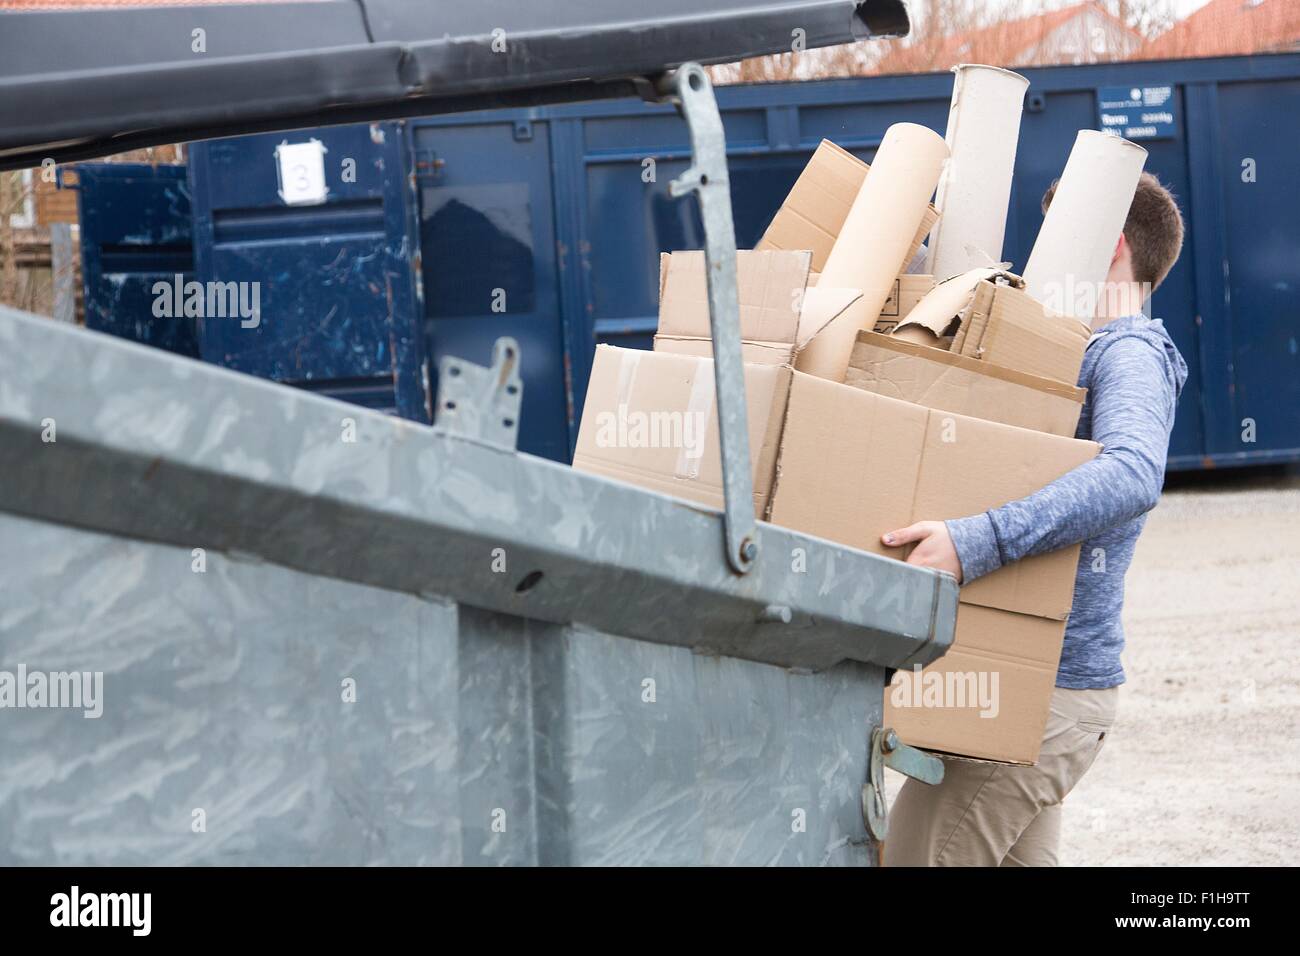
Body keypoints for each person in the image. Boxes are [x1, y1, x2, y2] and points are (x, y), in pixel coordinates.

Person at [882, 172, 1189, 867]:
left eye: (1054, 233)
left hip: (1046, 699)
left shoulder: (1130, 352)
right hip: (1037, 690)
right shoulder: (1067, 349)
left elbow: (1133, 472)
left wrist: (975, 542)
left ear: (1110, 244)